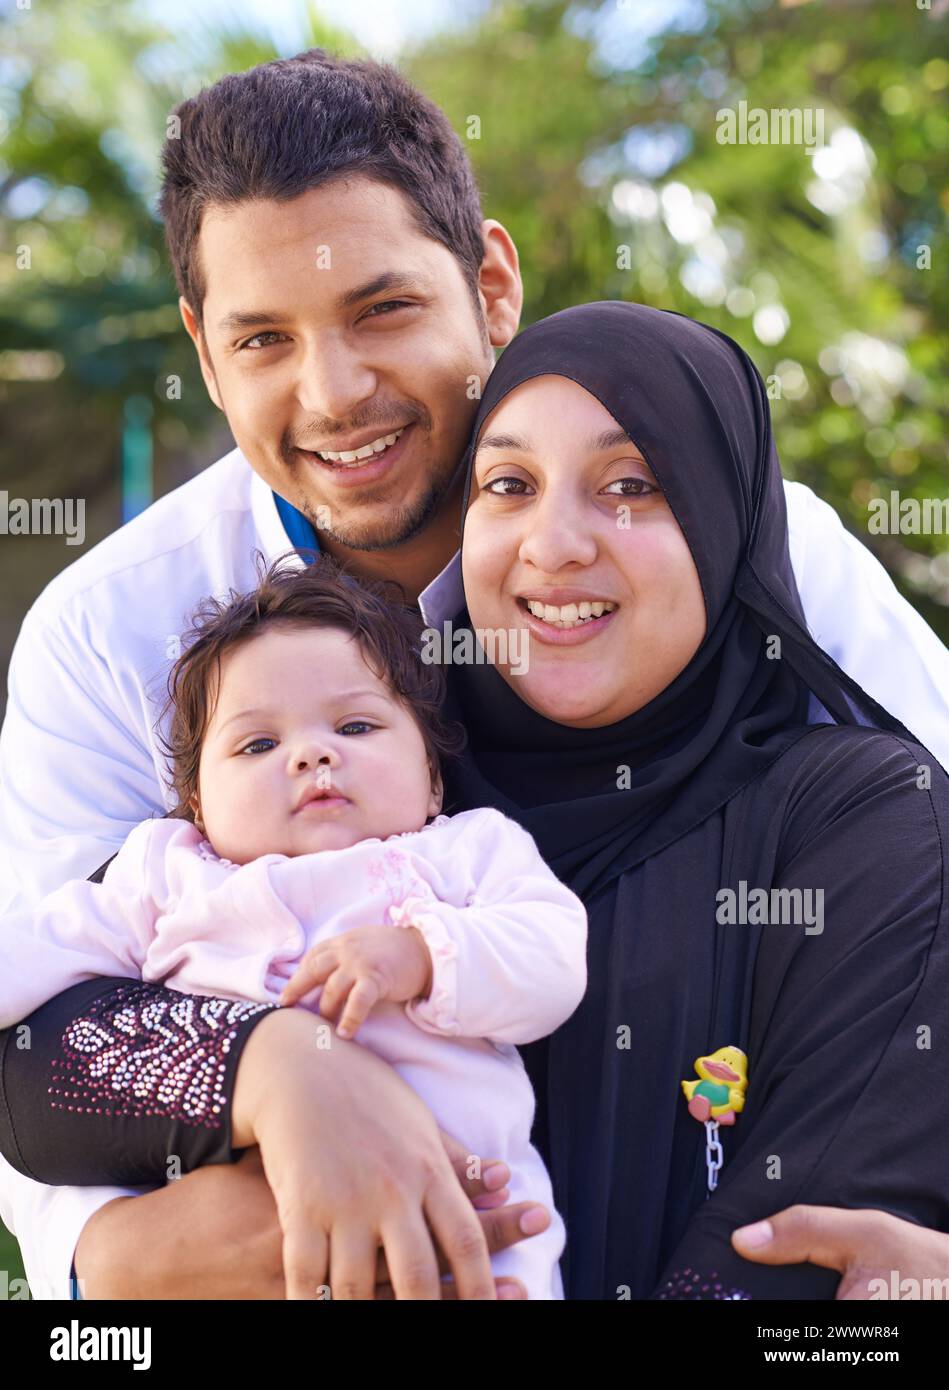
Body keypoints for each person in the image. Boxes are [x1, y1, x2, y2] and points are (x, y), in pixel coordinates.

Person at [1, 50, 948, 1299]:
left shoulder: (745, 552)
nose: (334, 394)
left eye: (384, 311)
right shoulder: (113, 631)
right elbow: (51, 1053)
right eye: (263, 338)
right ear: (205, 350)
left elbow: (917, 872)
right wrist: (271, 1071)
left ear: (490, 286)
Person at [0, 558, 586, 1300]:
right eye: (256, 745)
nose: (313, 753)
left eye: (356, 725)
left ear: (432, 778)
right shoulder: (164, 872)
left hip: (456, 1248)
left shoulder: (462, 854)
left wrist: (423, 956)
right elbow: (36, 952)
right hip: (236, 1251)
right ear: (198, 804)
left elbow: (553, 962)